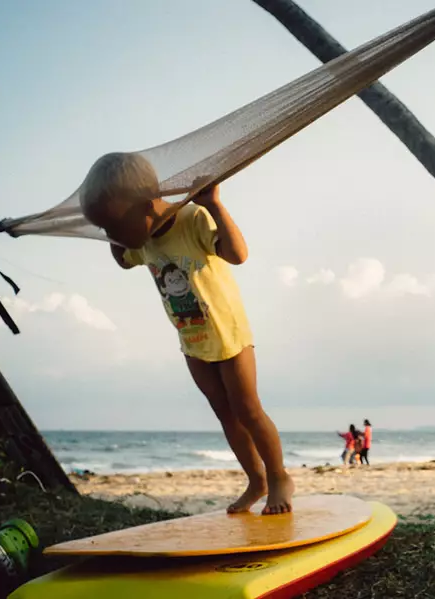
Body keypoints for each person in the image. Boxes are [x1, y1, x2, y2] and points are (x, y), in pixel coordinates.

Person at [80, 152, 294, 515]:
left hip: (228, 333)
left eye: (114, 226)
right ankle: (255, 481)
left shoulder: (191, 218)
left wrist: (213, 205)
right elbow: (122, 260)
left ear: (147, 205)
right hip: (192, 340)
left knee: (248, 409)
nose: (112, 237)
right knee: (224, 413)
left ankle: (278, 477)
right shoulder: (140, 241)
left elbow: (238, 254)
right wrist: (111, 231)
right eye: (107, 231)